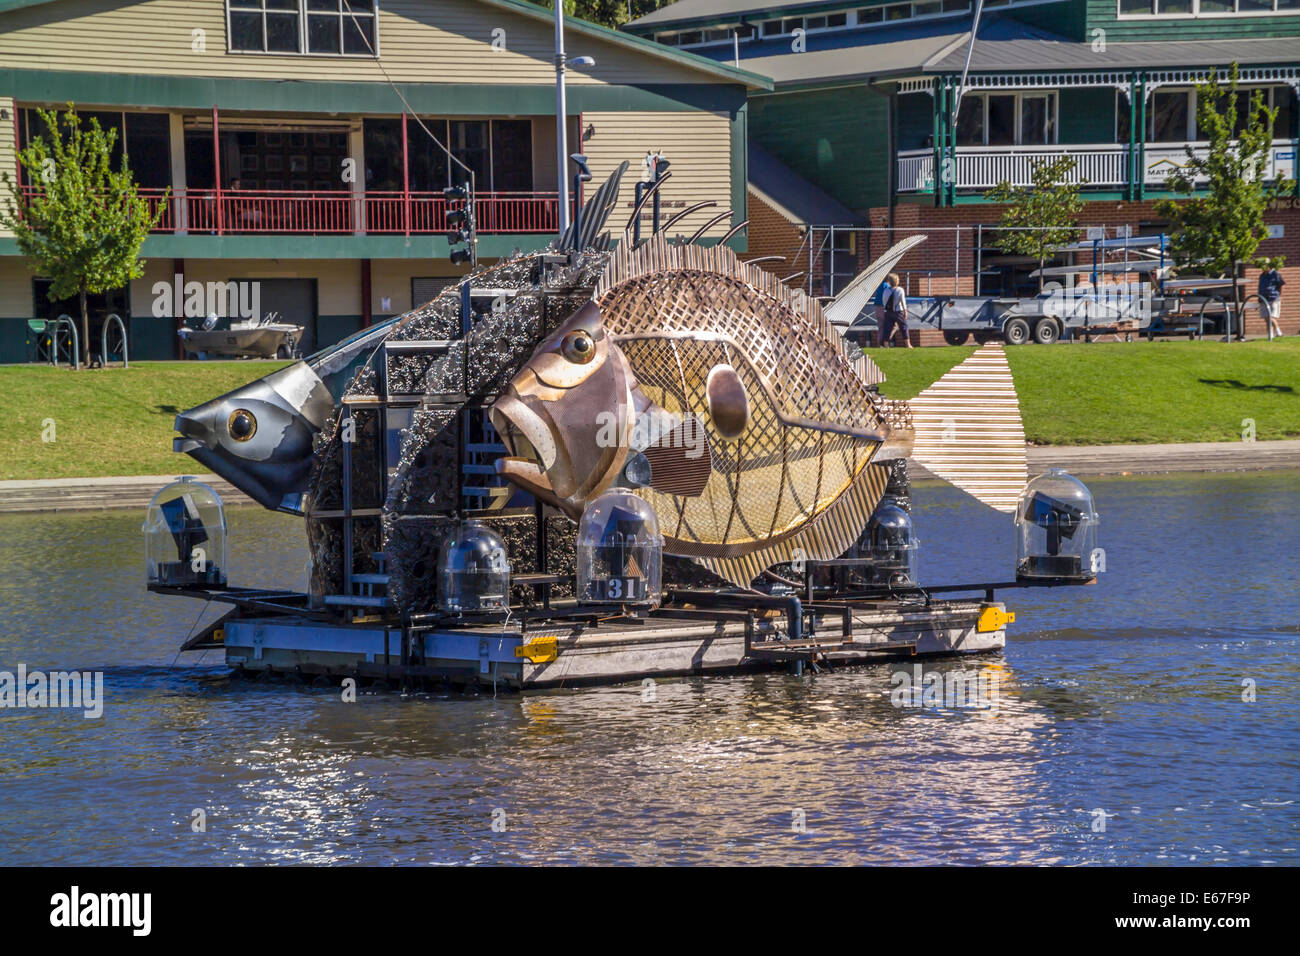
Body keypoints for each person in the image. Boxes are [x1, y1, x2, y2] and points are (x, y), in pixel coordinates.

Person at [881, 272, 912, 348]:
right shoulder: (900, 290)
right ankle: (908, 344)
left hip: (888, 312)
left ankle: (886, 345)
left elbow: (884, 301)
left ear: (889, 281)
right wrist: (905, 311)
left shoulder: (886, 290)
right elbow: (903, 301)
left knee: (887, 328)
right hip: (899, 312)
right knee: (903, 327)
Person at [1258, 258, 1285, 340]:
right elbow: (1260, 286)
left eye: (1265, 265)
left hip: (1273, 297)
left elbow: (1281, 284)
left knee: (1270, 316)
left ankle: (1278, 331)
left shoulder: (1275, 274)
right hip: (1263, 298)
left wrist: (1280, 295)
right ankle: (1270, 334)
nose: (1264, 267)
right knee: (1266, 318)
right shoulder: (1262, 275)